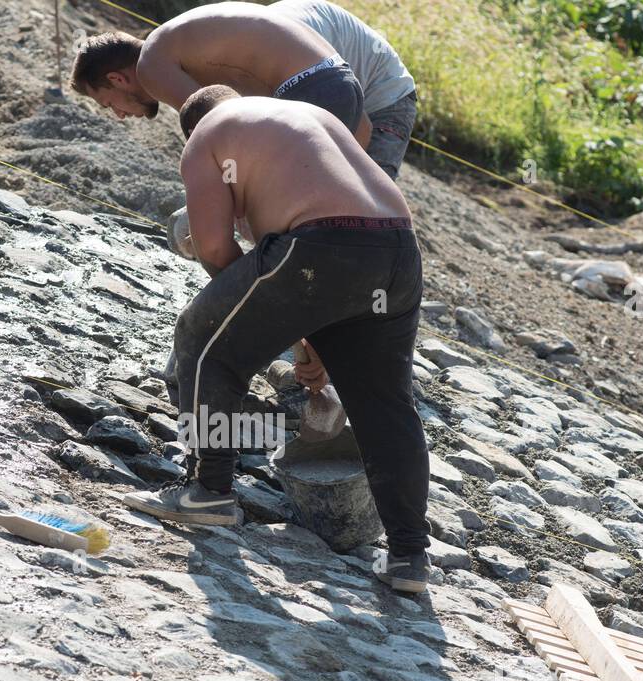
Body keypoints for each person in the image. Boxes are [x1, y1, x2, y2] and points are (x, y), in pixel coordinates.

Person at [122, 86, 432, 594]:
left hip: (319, 247)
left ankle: (210, 489)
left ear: (191, 122)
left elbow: (218, 247)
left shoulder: (206, 136)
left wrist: (245, 317)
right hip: (395, 250)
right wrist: (305, 340)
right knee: (386, 404)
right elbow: (315, 266)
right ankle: (408, 557)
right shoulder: (303, 117)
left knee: (204, 340)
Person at [70, 1, 365, 138]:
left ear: (117, 79)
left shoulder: (151, 64)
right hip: (341, 80)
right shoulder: (185, 49)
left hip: (308, 88)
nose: (119, 115)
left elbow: (220, 129)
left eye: (109, 104)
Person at [269, 0, 417, 179]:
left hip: (388, 97)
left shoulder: (302, 61)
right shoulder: (254, 41)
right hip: (334, 73)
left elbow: (362, 128)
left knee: (372, 193)